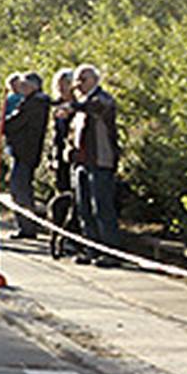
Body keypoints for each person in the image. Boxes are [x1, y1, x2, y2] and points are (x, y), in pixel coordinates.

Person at [66, 64, 120, 267]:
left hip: (101, 162)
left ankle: (110, 252)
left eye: (84, 79)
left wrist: (73, 106)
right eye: (77, 79)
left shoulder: (102, 100)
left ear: (95, 80)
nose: (79, 84)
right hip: (82, 163)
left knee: (102, 208)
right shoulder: (80, 105)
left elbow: (97, 106)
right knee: (84, 209)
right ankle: (91, 249)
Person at [3, 72, 50, 240]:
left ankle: (28, 227)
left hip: (26, 152)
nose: (20, 88)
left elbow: (14, 123)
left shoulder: (35, 103)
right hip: (22, 151)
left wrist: (5, 124)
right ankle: (25, 226)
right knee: (18, 188)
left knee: (20, 189)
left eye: (24, 84)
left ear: (33, 86)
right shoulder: (30, 101)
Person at [48, 68, 75, 194]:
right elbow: (54, 136)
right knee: (61, 188)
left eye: (65, 85)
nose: (62, 88)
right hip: (60, 155)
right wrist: (51, 157)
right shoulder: (57, 106)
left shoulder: (81, 105)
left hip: (75, 155)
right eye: (59, 85)